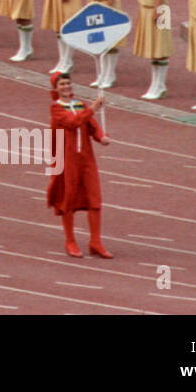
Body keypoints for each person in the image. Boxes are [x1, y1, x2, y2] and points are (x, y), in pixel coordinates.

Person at [46, 72, 112, 258]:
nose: (66, 87)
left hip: (86, 159)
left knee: (94, 198)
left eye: (68, 83)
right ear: (55, 89)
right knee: (68, 200)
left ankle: (96, 242)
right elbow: (73, 122)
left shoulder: (80, 105)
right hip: (67, 160)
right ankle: (70, 241)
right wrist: (93, 108)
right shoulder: (56, 108)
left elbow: (91, 126)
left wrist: (101, 137)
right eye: (62, 84)